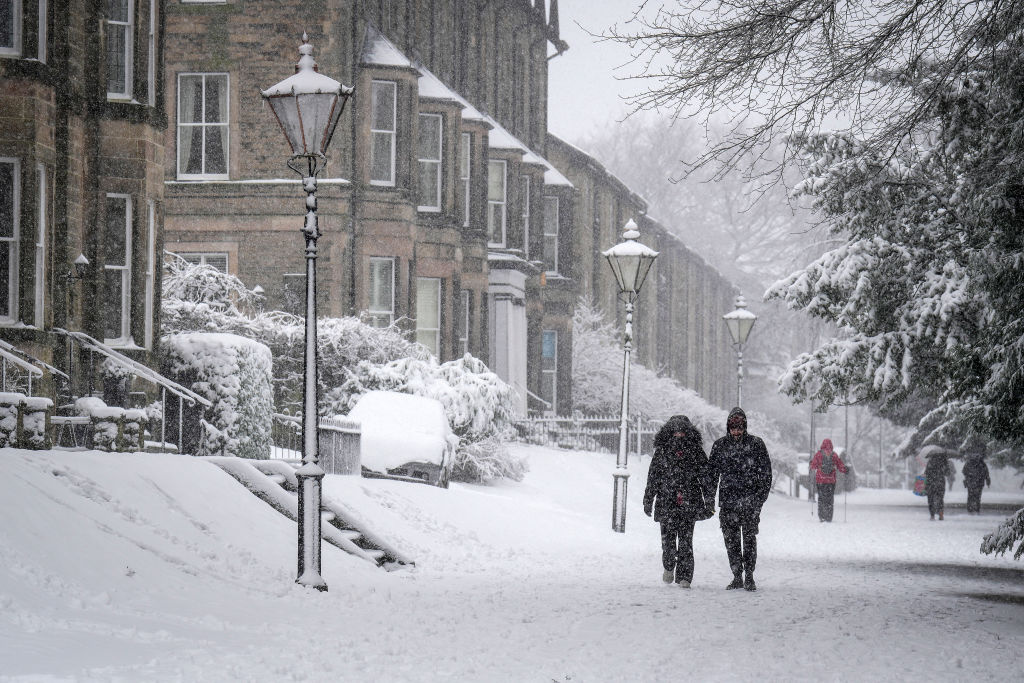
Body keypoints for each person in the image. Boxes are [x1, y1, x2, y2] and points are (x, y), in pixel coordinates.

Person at [643, 415, 715, 588]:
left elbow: (706, 478)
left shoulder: (696, 452)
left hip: (688, 502)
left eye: (682, 431)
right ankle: (669, 566)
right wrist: (648, 499)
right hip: (667, 501)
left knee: (685, 541)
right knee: (667, 541)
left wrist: (710, 501)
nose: (679, 435)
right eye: (676, 431)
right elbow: (653, 477)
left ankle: (685, 577)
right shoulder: (662, 451)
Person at [708, 407, 772, 591]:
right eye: (733, 428)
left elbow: (766, 473)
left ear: (745, 427)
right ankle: (737, 575)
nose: (736, 432)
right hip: (728, 502)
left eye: (739, 427)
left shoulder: (756, 444)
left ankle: (749, 575)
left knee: (749, 539)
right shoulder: (720, 445)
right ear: (728, 428)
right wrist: (710, 498)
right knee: (731, 540)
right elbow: (712, 474)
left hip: (750, 501)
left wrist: (760, 498)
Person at [810, 438, 848, 523]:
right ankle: (829, 517)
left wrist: (811, 464)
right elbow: (840, 466)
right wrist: (845, 470)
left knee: (821, 498)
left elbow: (813, 466)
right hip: (831, 481)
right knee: (829, 499)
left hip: (820, 480)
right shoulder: (834, 455)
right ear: (831, 445)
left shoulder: (818, 454)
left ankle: (822, 516)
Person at [924, 451, 956, 520]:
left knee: (930, 499)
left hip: (931, 483)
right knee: (940, 499)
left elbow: (926, 473)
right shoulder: (943, 462)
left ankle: (932, 515)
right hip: (940, 483)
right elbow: (947, 473)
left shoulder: (930, 462)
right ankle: (941, 514)